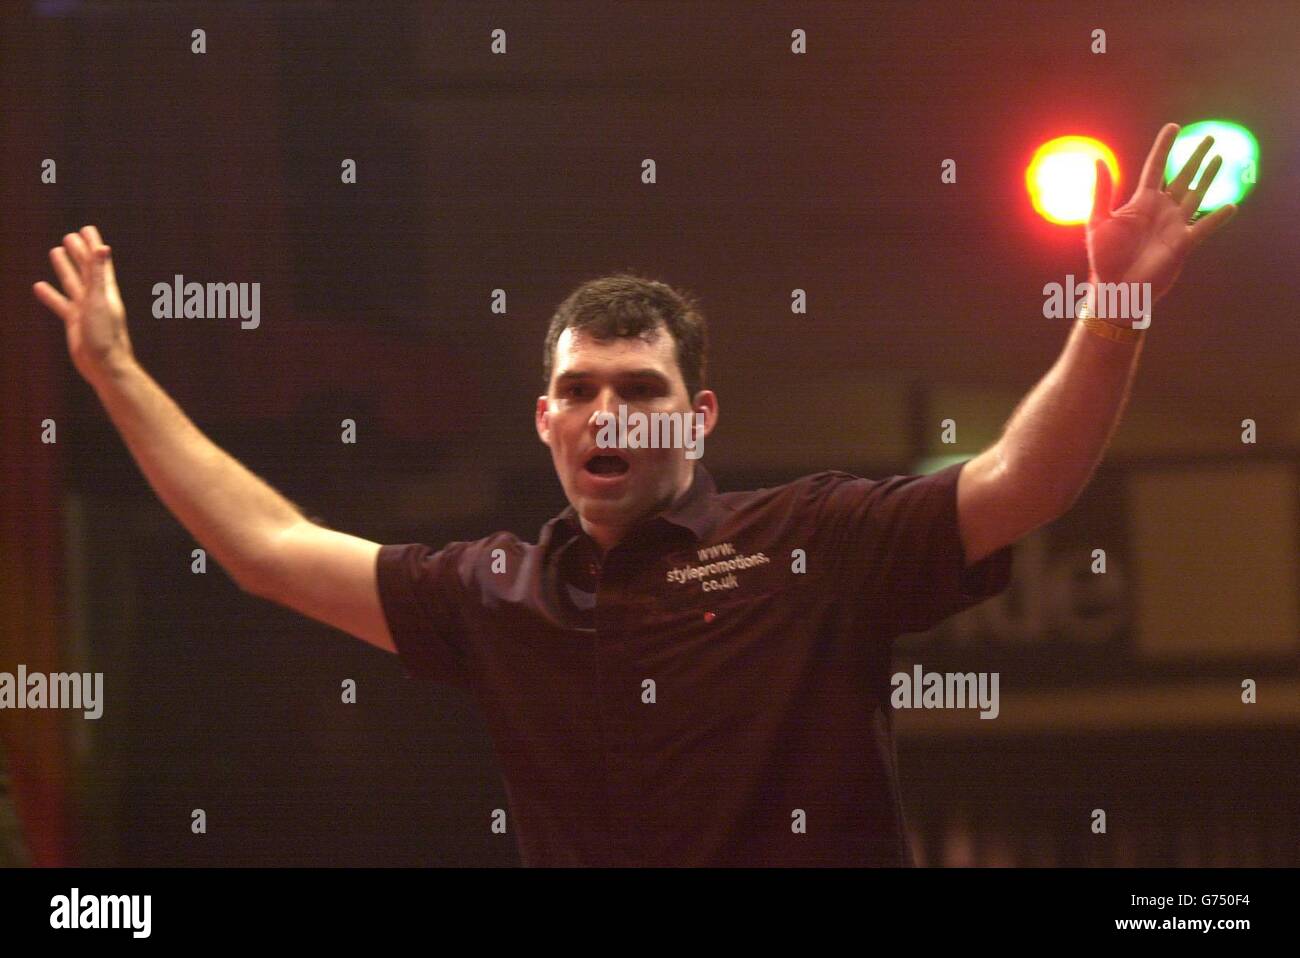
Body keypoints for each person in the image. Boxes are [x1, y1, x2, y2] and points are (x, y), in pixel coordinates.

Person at [32, 124, 1235, 866]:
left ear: (698, 417)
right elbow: (266, 545)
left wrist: (1113, 312)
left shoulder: (809, 536)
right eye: (579, 390)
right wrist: (117, 371)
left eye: (639, 389)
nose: (608, 416)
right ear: (543, 419)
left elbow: (1023, 482)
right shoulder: (495, 591)